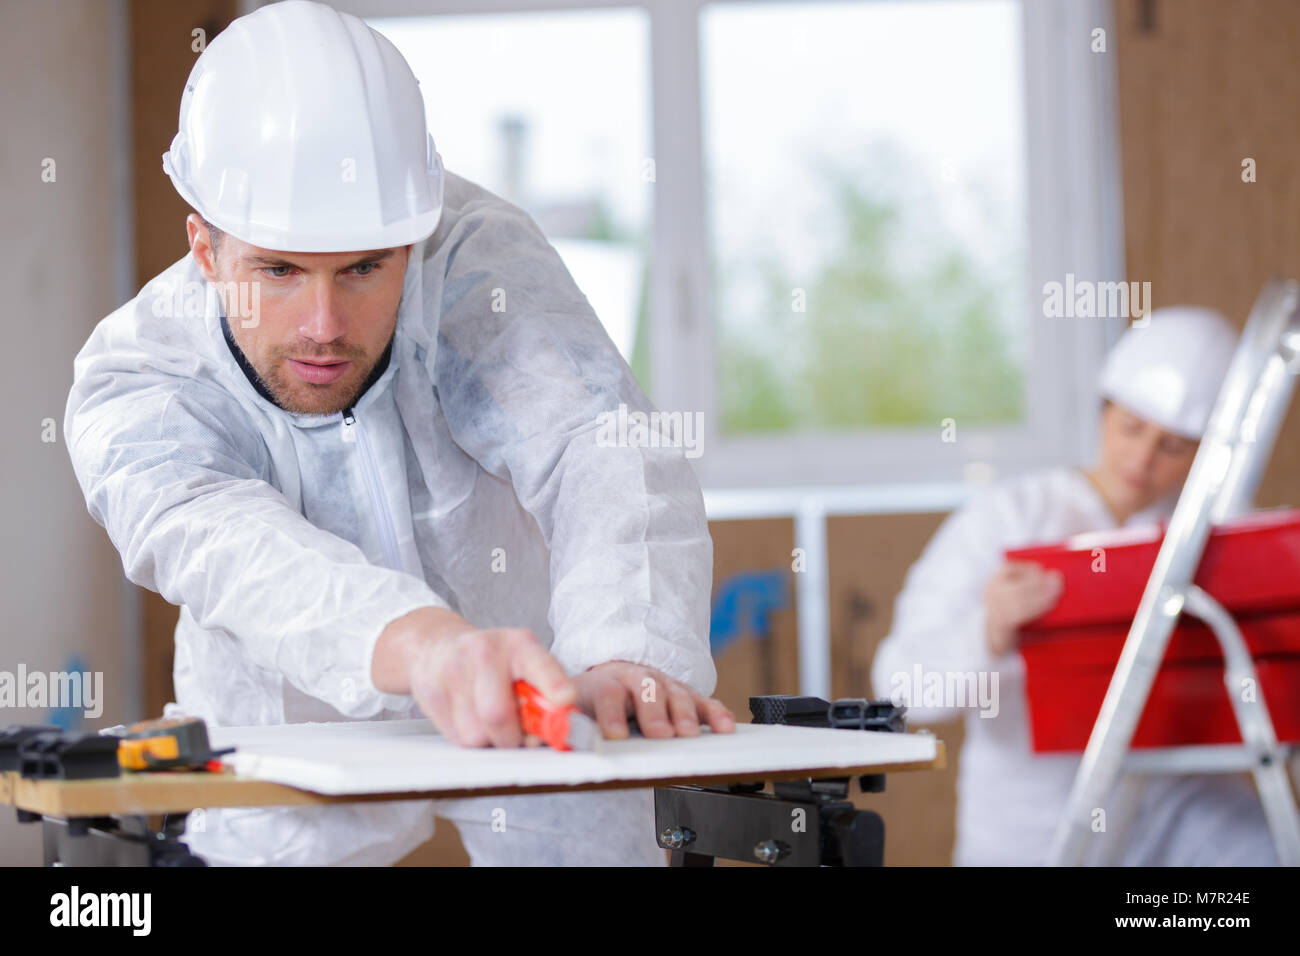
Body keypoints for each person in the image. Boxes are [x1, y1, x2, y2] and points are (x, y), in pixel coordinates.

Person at [63, 0, 733, 866]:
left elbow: (595, 446)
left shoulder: (474, 262)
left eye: (363, 270)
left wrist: (627, 648)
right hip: (283, 711)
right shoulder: (136, 380)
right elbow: (236, 550)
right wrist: (424, 644)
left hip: (541, 684)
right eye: (279, 270)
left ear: (412, 243)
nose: (323, 326)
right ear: (205, 249)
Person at [871, 306, 1280, 865]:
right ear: (1104, 410)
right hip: (1033, 830)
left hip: (1172, 810)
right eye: (1131, 428)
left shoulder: (1216, 532)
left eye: (1174, 446)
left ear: (1205, 451)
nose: (1142, 459)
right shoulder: (1008, 516)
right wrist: (986, 631)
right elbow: (898, 685)